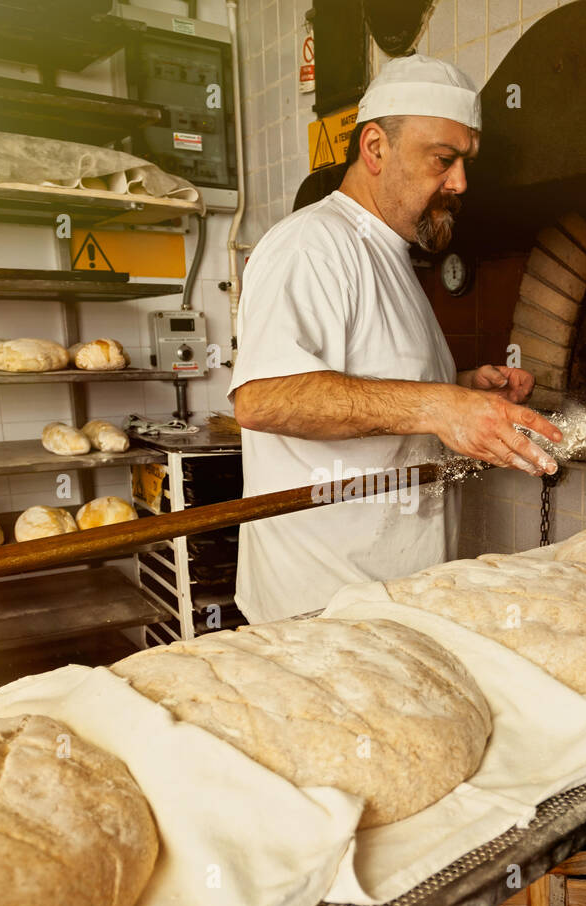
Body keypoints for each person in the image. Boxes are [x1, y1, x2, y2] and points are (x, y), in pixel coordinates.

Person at [228, 53, 563, 624]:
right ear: (376, 148)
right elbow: (261, 399)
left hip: (391, 597)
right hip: (320, 611)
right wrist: (442, 405)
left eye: (465, 163)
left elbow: (374, 387)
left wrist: (467, 392)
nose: (460, 183)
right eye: (444, 159)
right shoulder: (312, 245)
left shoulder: (391, 257)